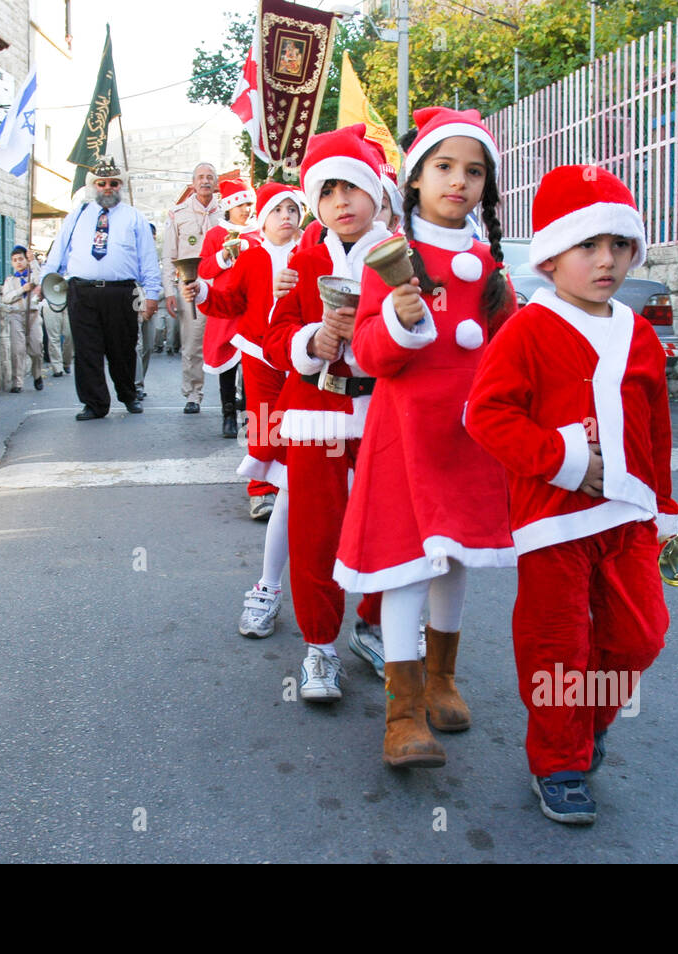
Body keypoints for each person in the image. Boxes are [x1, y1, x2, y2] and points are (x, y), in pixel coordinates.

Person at [464, 164, 678, 825]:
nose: (607, 260)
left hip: (630, 516)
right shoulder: (528, 329)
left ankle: (588, 723)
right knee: (558, 646)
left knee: (641, 635)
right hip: (555, 519)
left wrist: (665, 507)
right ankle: (558, 761)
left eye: (619, 245)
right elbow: (486, 414)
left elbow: (657, 428)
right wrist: (562, 459)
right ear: (553, 256)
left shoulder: (638, 333)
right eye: (589, 246)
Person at [335, 107, 517, 769]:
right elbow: (366, 355)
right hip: (406, 433)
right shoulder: (387, 257)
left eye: (474, 171)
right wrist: (401, 320)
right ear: (414, 179)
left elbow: (507, 347)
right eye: (444, 167)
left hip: (468, 436)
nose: (459, 182)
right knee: (407, 564)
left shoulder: (488, 262)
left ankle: (442, 677)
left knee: (458, 556)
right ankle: (403, 711)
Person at [263, 125, 394, 701]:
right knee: (316, 531)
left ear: (376, 193)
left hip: (386, 415)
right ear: (316, 201)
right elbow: (275, 336)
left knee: (385, 528)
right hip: (315, 414)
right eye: (328, 190)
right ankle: (320, 647)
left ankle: (374, 626)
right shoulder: (304, 258)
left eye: (353, 188)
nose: (341, 201)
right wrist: (311, 340)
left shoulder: (400, 257)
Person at [184, 183, 308, 636]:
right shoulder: (252, 257)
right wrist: (198, 291)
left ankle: (295, 485)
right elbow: (227, 301)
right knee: (263, 423)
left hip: (301, 356)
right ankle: (262, 489)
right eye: (280, 210)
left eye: (295, 210)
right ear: (266, 217)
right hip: (259, 352)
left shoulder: (311, 254)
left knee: (296, 426)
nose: (288, 217)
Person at [39, 156, 161, 420]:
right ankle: (94, 403)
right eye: (102, 183)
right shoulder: (77, 215)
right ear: (94, 186)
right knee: (86, 350)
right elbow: (58, 251)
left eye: (114, 183)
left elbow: (148, 259)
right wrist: (46, 280)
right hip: (81, 292)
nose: (108, 188)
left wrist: (152, 295)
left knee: (123, 348)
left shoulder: (134, 218)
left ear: (121, 186)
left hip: (121, 292)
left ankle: (129, 395)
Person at [199, 178, 259, 440]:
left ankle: (248, 413)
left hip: (254, 306)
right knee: (226, 364)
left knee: (252, 361)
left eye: (249, 203)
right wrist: (224, 257)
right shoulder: (215, 234)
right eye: (241, 204)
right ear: (229, 207)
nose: (246, 209)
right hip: (224, 307)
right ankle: (227, 415)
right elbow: (203, 269)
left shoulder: (261, 231)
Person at [163, 163, 224, 414]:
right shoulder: (178, 214)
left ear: (216, 182)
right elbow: (169, 256)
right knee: (192, 341)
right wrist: (169, 291)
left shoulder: (226, 213)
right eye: (200, 177)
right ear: (193, 183)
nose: (205, 181)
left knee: (228, 339)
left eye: (210, 177)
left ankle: (234, 394)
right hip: (191, 286)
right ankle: (193, 393)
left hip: (222, 285)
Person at [1, 245, 44, 393]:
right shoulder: (10, 280)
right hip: (16, 315)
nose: (18, 262)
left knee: (37, 348)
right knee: (17, 350)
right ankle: (17, 382)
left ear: (26, 260)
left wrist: (33, 262)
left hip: (32, 315)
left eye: (21, 259)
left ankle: (37, 374)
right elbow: (6, 298)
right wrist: (22, 290)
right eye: (15, 260)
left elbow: (39, 279)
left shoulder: (33, 276)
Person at [134, 222, 163, 400]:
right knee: (136, 345)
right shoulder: (132, 254)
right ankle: (136, 385)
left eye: (153, 238)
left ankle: (140, 379)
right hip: (134, 297)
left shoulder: (156, 257)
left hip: (152, 299)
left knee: (148, 345)